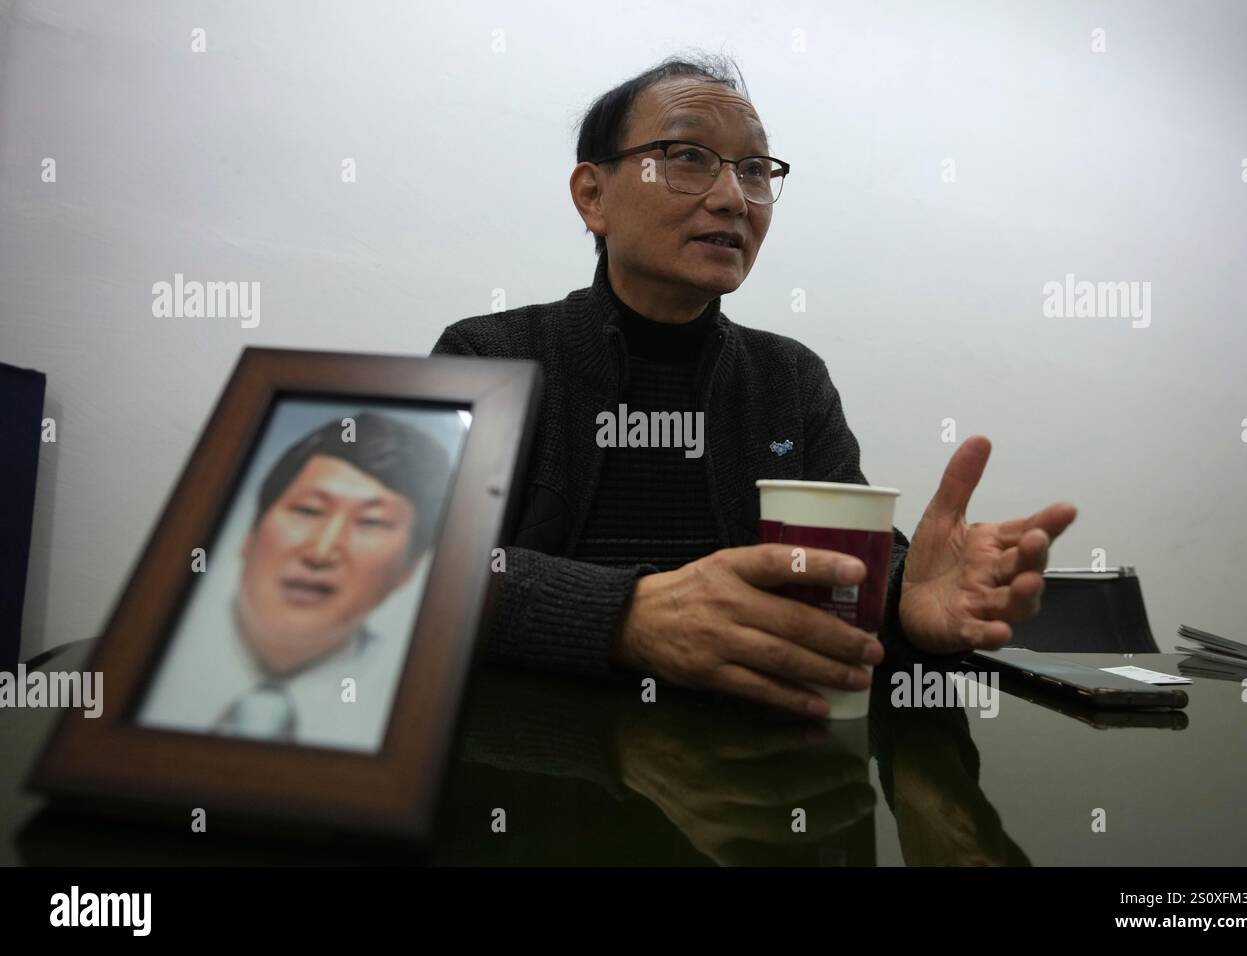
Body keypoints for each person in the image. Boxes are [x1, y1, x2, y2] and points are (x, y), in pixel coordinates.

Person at [432, 54, 1077, 718]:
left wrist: (906, 598)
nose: (733, 197)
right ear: (594, 196)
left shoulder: (789, 378)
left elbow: (841, 573)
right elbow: (423, 578)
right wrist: (627, 616)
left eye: (755, 170)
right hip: (531, 778)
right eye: (687, 157)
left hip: (753, 785)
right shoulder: (490, 355)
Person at [137, 410, 450, 751]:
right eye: (308, 511)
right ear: (250, 532)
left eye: (371, 523)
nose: (321, 551)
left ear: (410, 568)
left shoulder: (416, 712)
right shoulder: (145, 653)